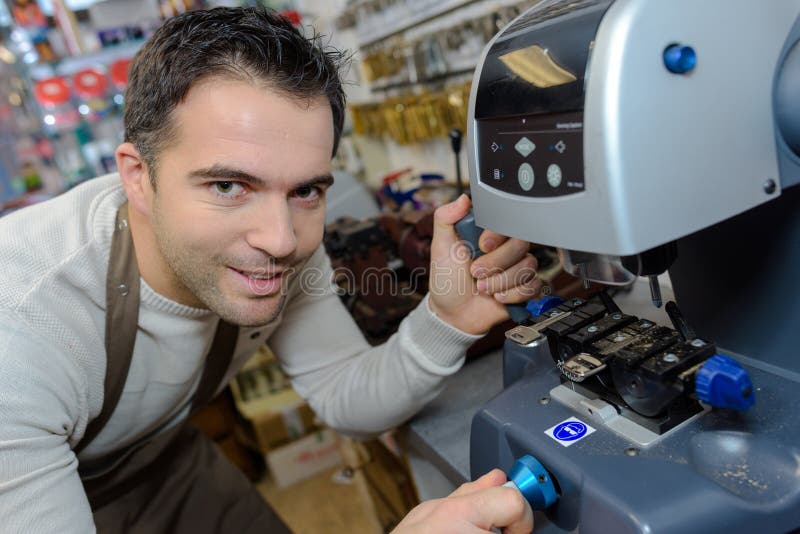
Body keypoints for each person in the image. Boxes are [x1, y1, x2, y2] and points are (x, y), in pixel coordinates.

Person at [0, 7, 540, 533]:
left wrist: (447, 319)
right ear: (139, 177)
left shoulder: (278, 246)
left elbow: (344, 393)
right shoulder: (22, 321)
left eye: (306, 190)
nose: (281, 240)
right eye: (228, 186)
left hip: (164, 460)